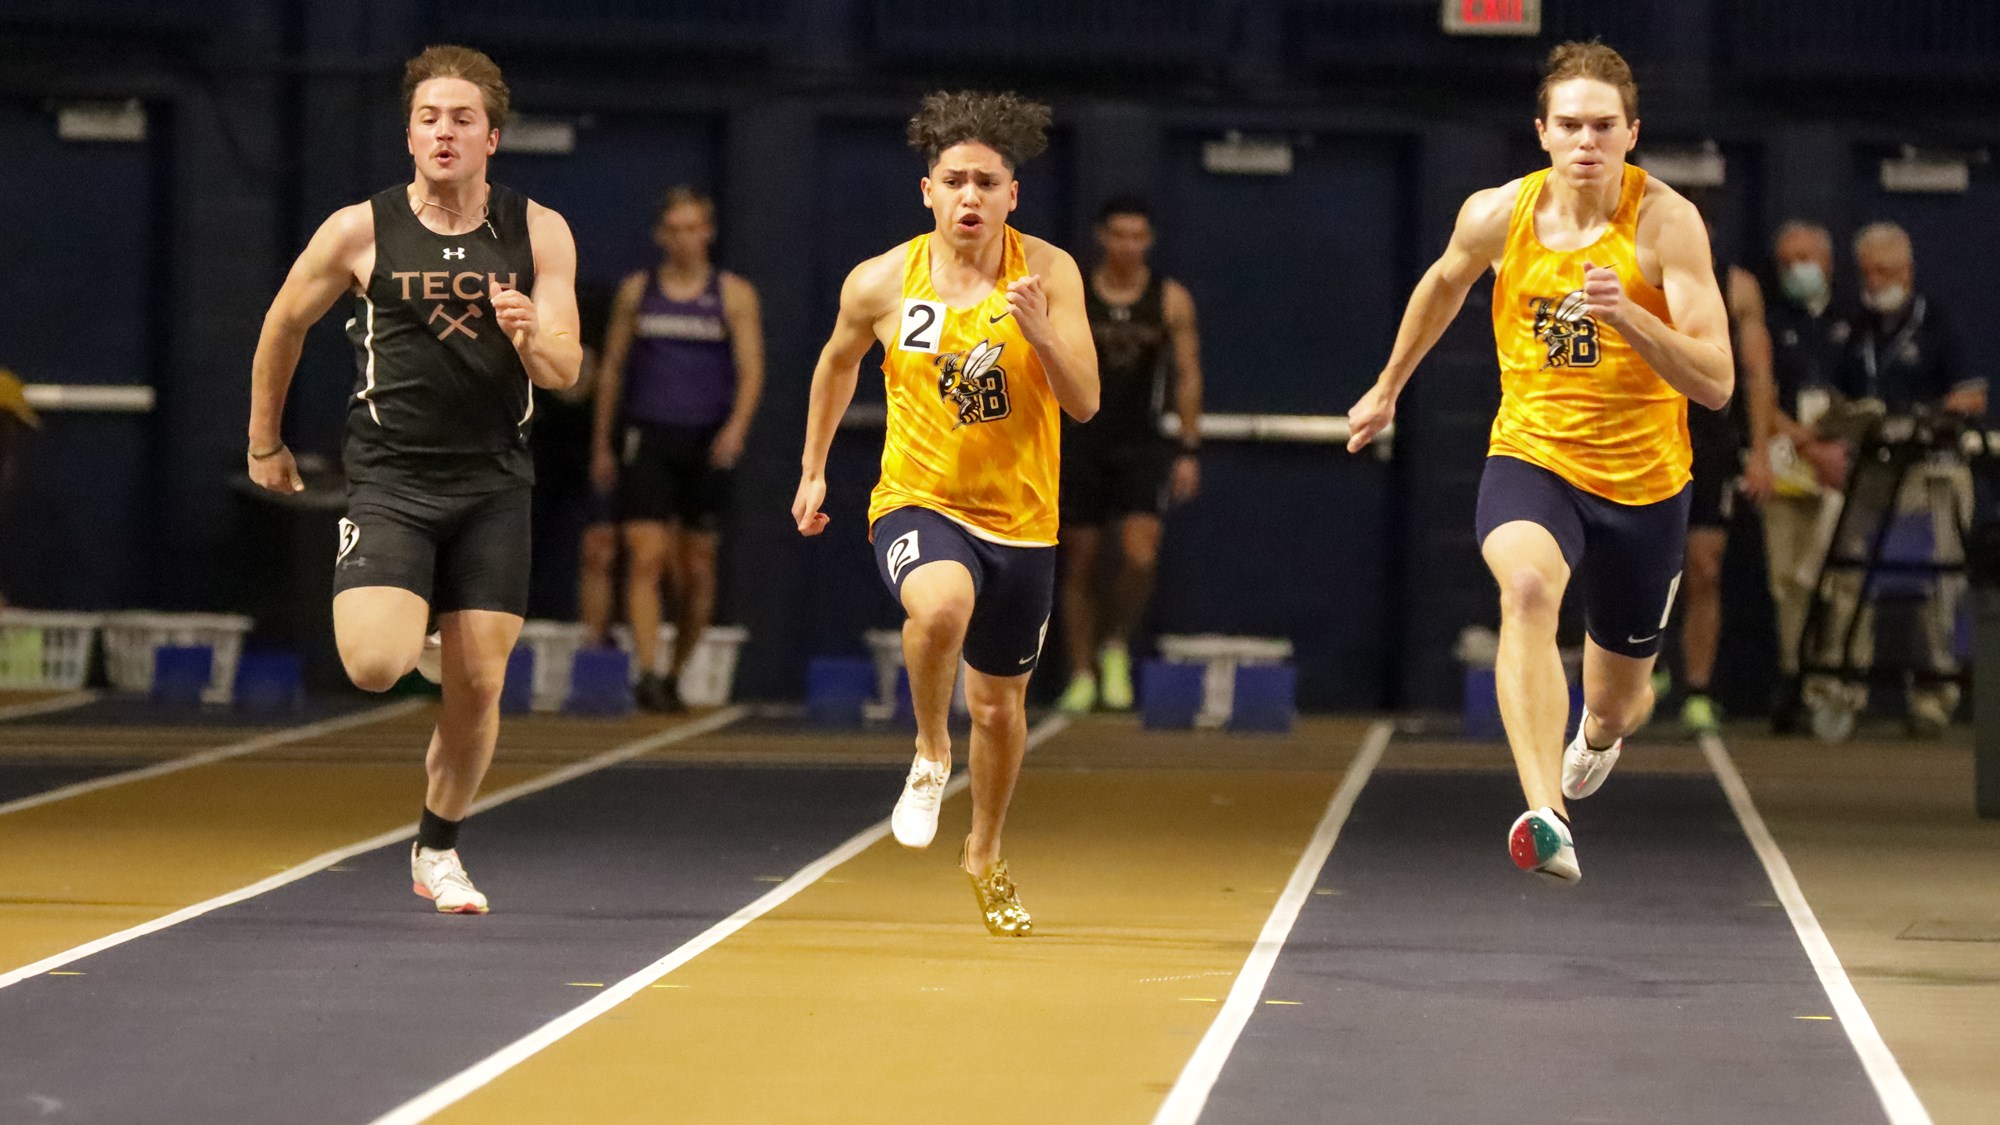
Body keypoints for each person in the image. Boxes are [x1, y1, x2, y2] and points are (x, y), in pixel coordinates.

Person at [1346, 41, 1733, 882]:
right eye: (1569, 125)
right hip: (1533, 454)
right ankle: (1543, 811)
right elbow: (1445, 282)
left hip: (1644, 484)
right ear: (1543, 133)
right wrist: (1387, 388)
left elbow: (1716, 382)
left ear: (1632, 133)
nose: (1586, 141)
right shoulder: (1500, 213)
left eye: (1603, 126)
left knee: (1620, 699)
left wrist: (1631, 316)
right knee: (1524, 590)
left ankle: (1594, 736)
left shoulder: (1667, 224)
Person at [246, 45, 582, 914]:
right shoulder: (359, 230)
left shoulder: (537, 229)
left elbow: (566, 368)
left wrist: (526, 335)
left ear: (492, 138)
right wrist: (263, 442)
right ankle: (421, 619)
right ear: (408, 134)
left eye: (463, 119)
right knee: (373, 663)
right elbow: (284, 324)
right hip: (393, 479)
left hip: (494, 483)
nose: (445, 132)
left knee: (479, 686)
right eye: (430, 118)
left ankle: (438, 850)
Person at [792, 90, 1098, 934]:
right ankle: (930, 749)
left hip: (1023, 523)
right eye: (954, 180)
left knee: (1000, 709)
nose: (970, 196)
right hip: (917, 500)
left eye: (987, 182)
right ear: (928, 191)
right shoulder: (883, 280)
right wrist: (815, 468)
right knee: (941, 605)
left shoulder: (1051, 273)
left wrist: (1041, 333)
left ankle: (985, 850)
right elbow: (834, 364)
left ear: (1011, 196)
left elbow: (1085, 403)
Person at [584, 188, 764, 711]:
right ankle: (647, 669)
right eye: (676, 229)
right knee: (646, 557)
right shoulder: (638, 292)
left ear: (708, 233)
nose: (686, 239)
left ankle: (677, 670)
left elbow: (752, 370)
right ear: (661, 236)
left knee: (696, 571)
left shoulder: (732, 295)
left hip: (706, 443)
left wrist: (735, 428)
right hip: (648, 437)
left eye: (695, 228)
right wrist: (603, 441)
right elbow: (613, 368)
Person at [1816, 221, 1985, 735]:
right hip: (1869, 470)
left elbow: (1972, 396)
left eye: (1885, 271)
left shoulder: (1938, 322)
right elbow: (1829, 400)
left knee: (1938, 581)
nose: (1876, 281)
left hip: (1929, 470)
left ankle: (1936, 696)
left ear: (1907, 270)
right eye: (1867, 272)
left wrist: (1924, 413)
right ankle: (1840, 689)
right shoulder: (1852, 325)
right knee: (1848, 578)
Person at [1054, 197, 1203, 714]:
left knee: (1140, 555)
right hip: (1080, 442)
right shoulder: (1074, 295)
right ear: (1102, 237)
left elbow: (1187, 374)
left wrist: (1187, 446)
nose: (1128, 245)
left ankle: (1115, 645)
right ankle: (1080, 673)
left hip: (1140, 444)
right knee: (1081, 560)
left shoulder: (1169, 299)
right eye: (1119, 234)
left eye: (1138, 236)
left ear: (1150, 241)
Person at [1671, 242, 1776, 734]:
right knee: (1640, 567)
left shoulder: (1736, 287)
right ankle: (1638, 673)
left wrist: (1758, 452)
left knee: (1705, 567)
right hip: (1649, 439)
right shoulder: (1633, 272)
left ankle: (1697, 687)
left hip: (1711, 447)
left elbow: (1756, 374)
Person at [1759, 220, 1851, 732]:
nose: (1798, 270)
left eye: (1805, 259)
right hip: (1787, 465)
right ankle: (1794, 676)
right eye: (1787, 261)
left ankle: (1836, 683)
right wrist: (1805, 442)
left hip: (1842, 472)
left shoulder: (1852, 323)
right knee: (1788, 581)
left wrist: (1834, 447)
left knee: (1840, 580)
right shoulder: (1771, 323)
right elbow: (1760, 397)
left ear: (1828, 263)